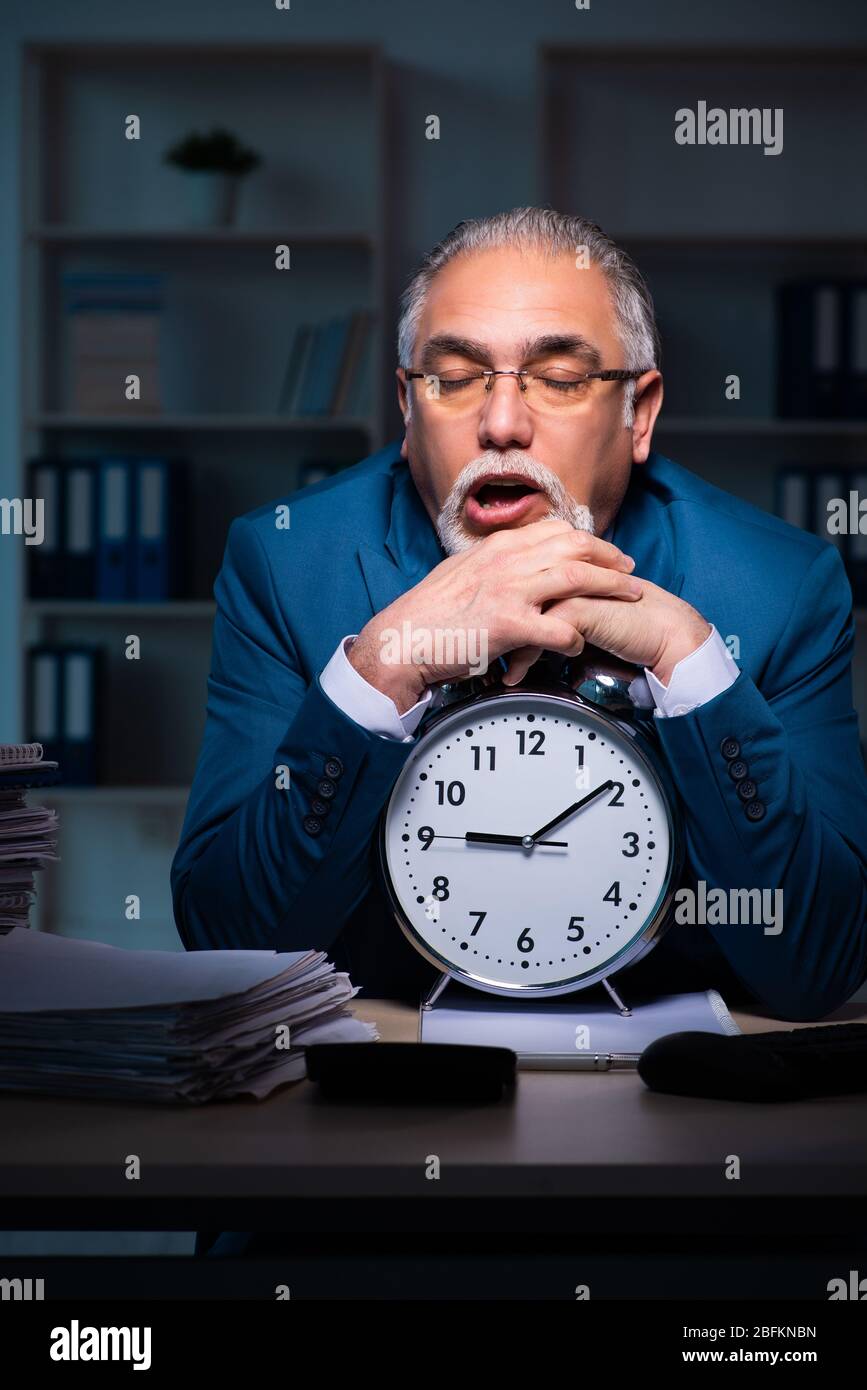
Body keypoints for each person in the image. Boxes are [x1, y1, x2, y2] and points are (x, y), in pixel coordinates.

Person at [175, 206, 867, 1257]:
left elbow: (819, 961)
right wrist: (383, 668)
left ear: (639, 412)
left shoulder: (777, 588)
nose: (502, 423)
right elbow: (228, 940)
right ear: (407, 410)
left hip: (680, 1179)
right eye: (454, 376)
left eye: (558, 375)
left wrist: (693, 666)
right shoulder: (287, 566)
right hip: (356, 1168)